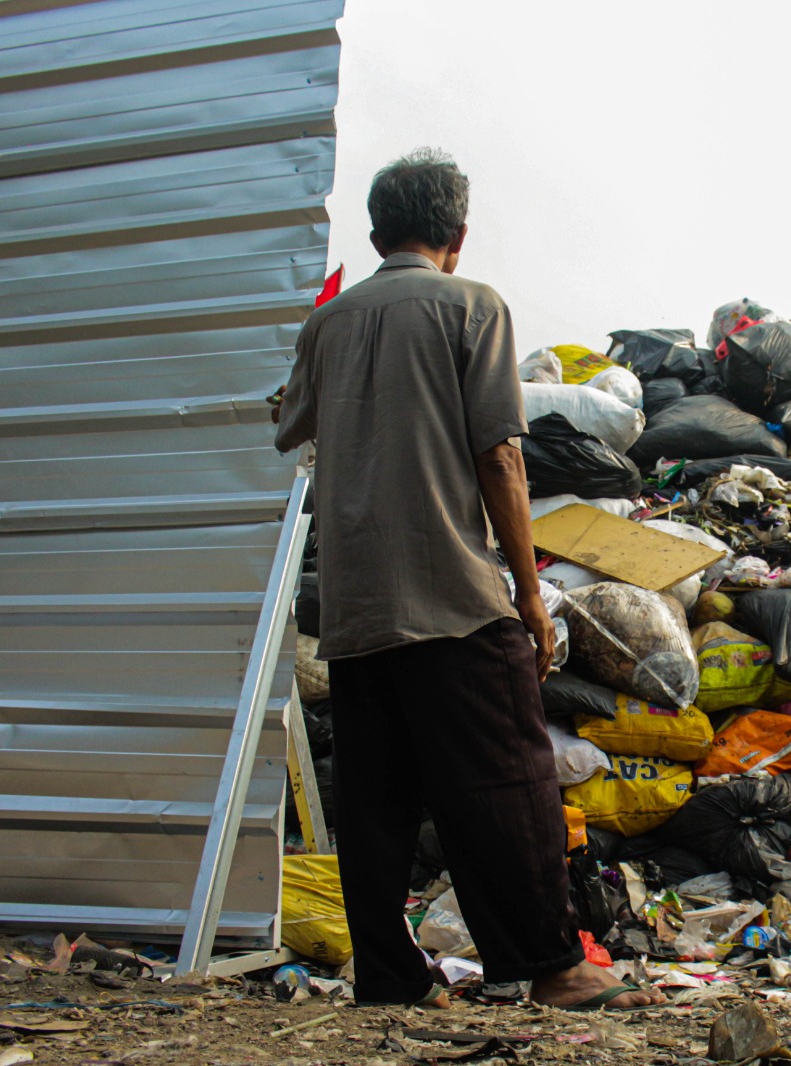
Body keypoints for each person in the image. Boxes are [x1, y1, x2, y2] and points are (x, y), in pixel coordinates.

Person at [273, 148, 663, 1011]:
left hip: (357, 603)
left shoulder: (328, 325)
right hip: (451, 593)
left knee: (374, 800)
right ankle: (552, 967)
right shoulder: (471, 306)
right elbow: (500, 456)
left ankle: (388, 976)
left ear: (376, 233)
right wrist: (528, 594)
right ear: (456, 234)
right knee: (507, 780)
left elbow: (287, 424)